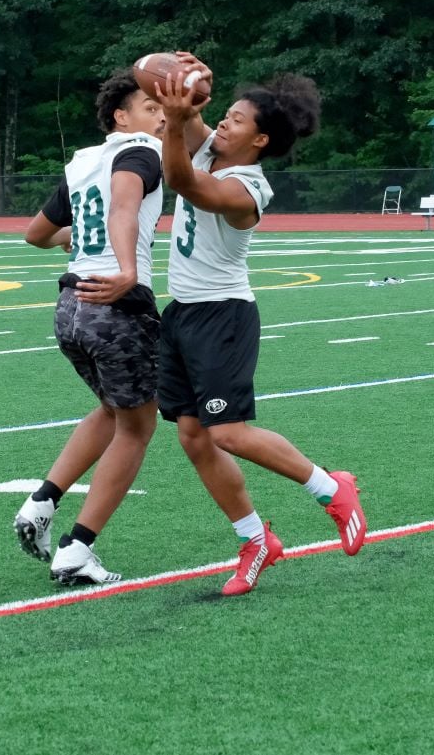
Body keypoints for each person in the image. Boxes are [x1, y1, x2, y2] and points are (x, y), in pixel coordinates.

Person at [154, 59, 367, 596]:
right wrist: (183, 76)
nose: (223, 123)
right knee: (193, 437)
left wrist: (178, 121)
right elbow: (164, 97)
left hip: (222, 314)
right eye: (224, 114)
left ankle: (330, 487)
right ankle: (255, 540)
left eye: (237, 120)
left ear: (261, 139)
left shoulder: (248, 186)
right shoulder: (212, 147)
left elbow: (180, 179)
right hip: (182, 311)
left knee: (227, 432)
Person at [14, 68, 165, 585]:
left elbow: (37, 233)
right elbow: (124, 203)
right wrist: (125, 267)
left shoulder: (83, 160)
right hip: (114, 304)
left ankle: (42, 502)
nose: (160, 114)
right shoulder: (141, 150)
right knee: (138, 427)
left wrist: (82, 244)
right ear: (121, 116)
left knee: (110, 409)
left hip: (70, 304)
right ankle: (78, 548)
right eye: (149, 105)